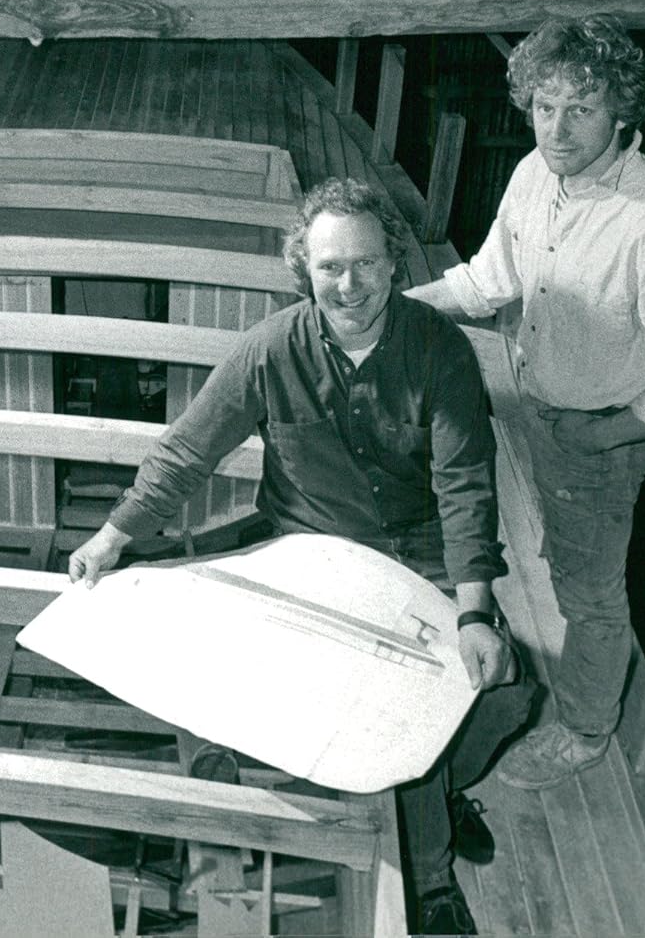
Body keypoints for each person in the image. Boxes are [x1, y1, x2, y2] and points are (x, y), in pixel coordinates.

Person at [70, 178, 535, 935]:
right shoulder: (268, 348)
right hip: (306, 550)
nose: (347, 285)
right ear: (304, 270)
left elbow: (463, 488)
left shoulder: (439, 349)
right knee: (202, 662)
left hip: (415, 555)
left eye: (364, 264)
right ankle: (430, 877)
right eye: (329, 267)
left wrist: (475, 612)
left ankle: (437, 800)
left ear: (393, 265)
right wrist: (113, 533)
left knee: (505, 684)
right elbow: (188, 450)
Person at [406, 14, 645, 792]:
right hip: (542, 404)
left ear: (623, 113)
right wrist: (397, 309)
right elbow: (489, 281)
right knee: (570, 550)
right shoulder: (534, 174)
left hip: (601, 434)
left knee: (591, 594)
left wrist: (611, 435)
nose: (557, 128)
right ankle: (566, 551)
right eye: (544, 105)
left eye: (581, 109)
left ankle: (587, 729)